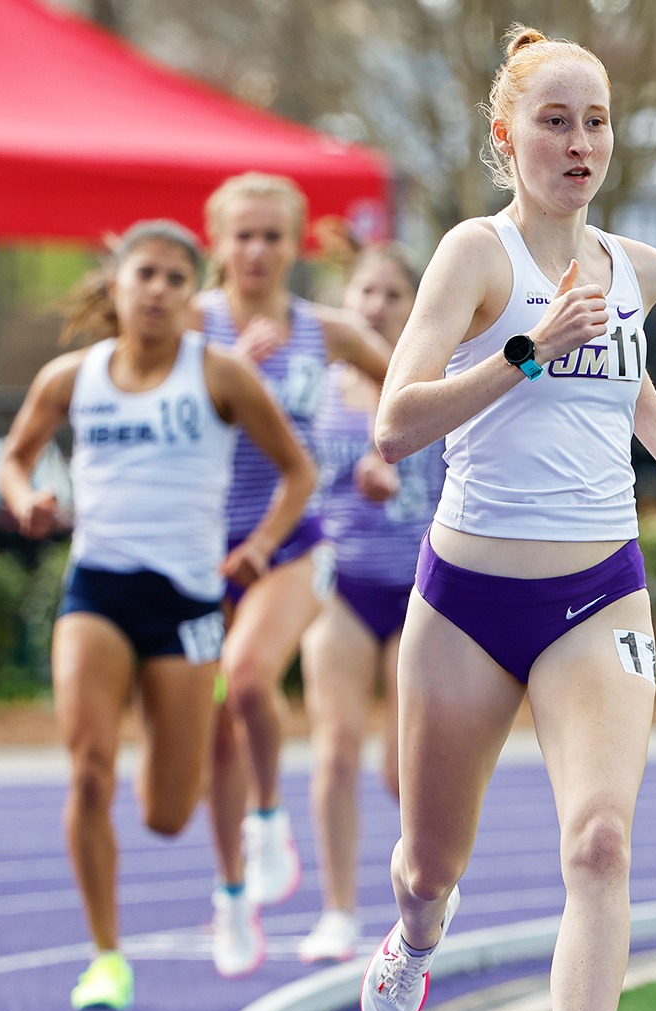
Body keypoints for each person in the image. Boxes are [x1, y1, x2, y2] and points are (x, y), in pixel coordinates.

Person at [357, 27, 656, 1011]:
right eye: (556, 121)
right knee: (427, 867)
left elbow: (626, 371)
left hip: (600, 593)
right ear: (506, 136)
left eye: (596, 122)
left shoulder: (638, 269)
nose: (580, 144)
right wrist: (529, 352)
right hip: (467, 604)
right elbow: (394, 425)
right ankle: (418, 934)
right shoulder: (475, 255)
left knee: (600, 843)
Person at [0, 220, 315, 1005]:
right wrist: (25, 498)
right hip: (97, 593)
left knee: (169, 814)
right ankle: (107, 956)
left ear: (192, 294)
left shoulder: (221, 375)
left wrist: (261, 545)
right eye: (147, 274)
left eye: (177, 279)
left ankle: (159, 731)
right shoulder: (73, 378)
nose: (160, 291)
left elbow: (298, 472)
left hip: (188, 605)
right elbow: (14, 456)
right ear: (118, 284)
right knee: (88, 771)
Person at [195, 174, 393, 924]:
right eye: (243, 235)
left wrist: (384, 452)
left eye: (272, 236)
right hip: (201, 549)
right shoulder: (190, 324)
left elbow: (407, 384)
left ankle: (268, 817)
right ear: (218, 243)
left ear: (294, 245)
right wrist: (231, 373)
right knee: (216, 731)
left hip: (293, 542)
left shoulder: (324, 331)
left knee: (249, 679)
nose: (257, 250)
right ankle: (230, 889)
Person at [295, 244, 440, 964]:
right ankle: (337, 910)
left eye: (392, 294)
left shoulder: (435, 383)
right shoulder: (317, 387)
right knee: (336, 748)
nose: (376, 306)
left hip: (421, 588)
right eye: (365, 291)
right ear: (343, 299)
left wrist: (397, 473)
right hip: (342, 585)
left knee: (404, 770)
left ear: (416, 304)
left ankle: (425, 898)